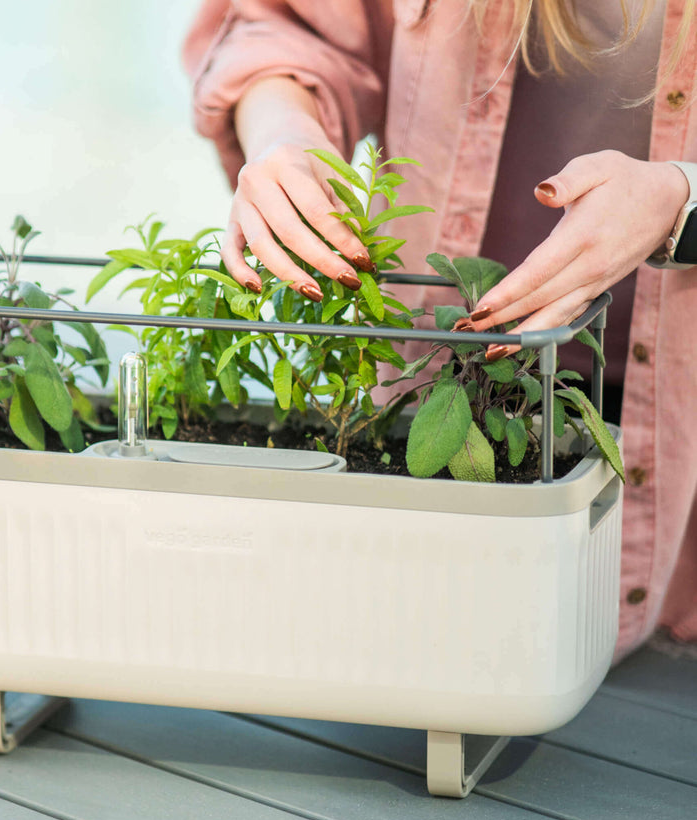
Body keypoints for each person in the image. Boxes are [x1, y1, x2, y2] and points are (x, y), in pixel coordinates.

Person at [183, 0, 697, 661]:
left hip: (669, 448)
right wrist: (287, 131)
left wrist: (679, 201)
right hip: (428, 380)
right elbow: (285, 25)